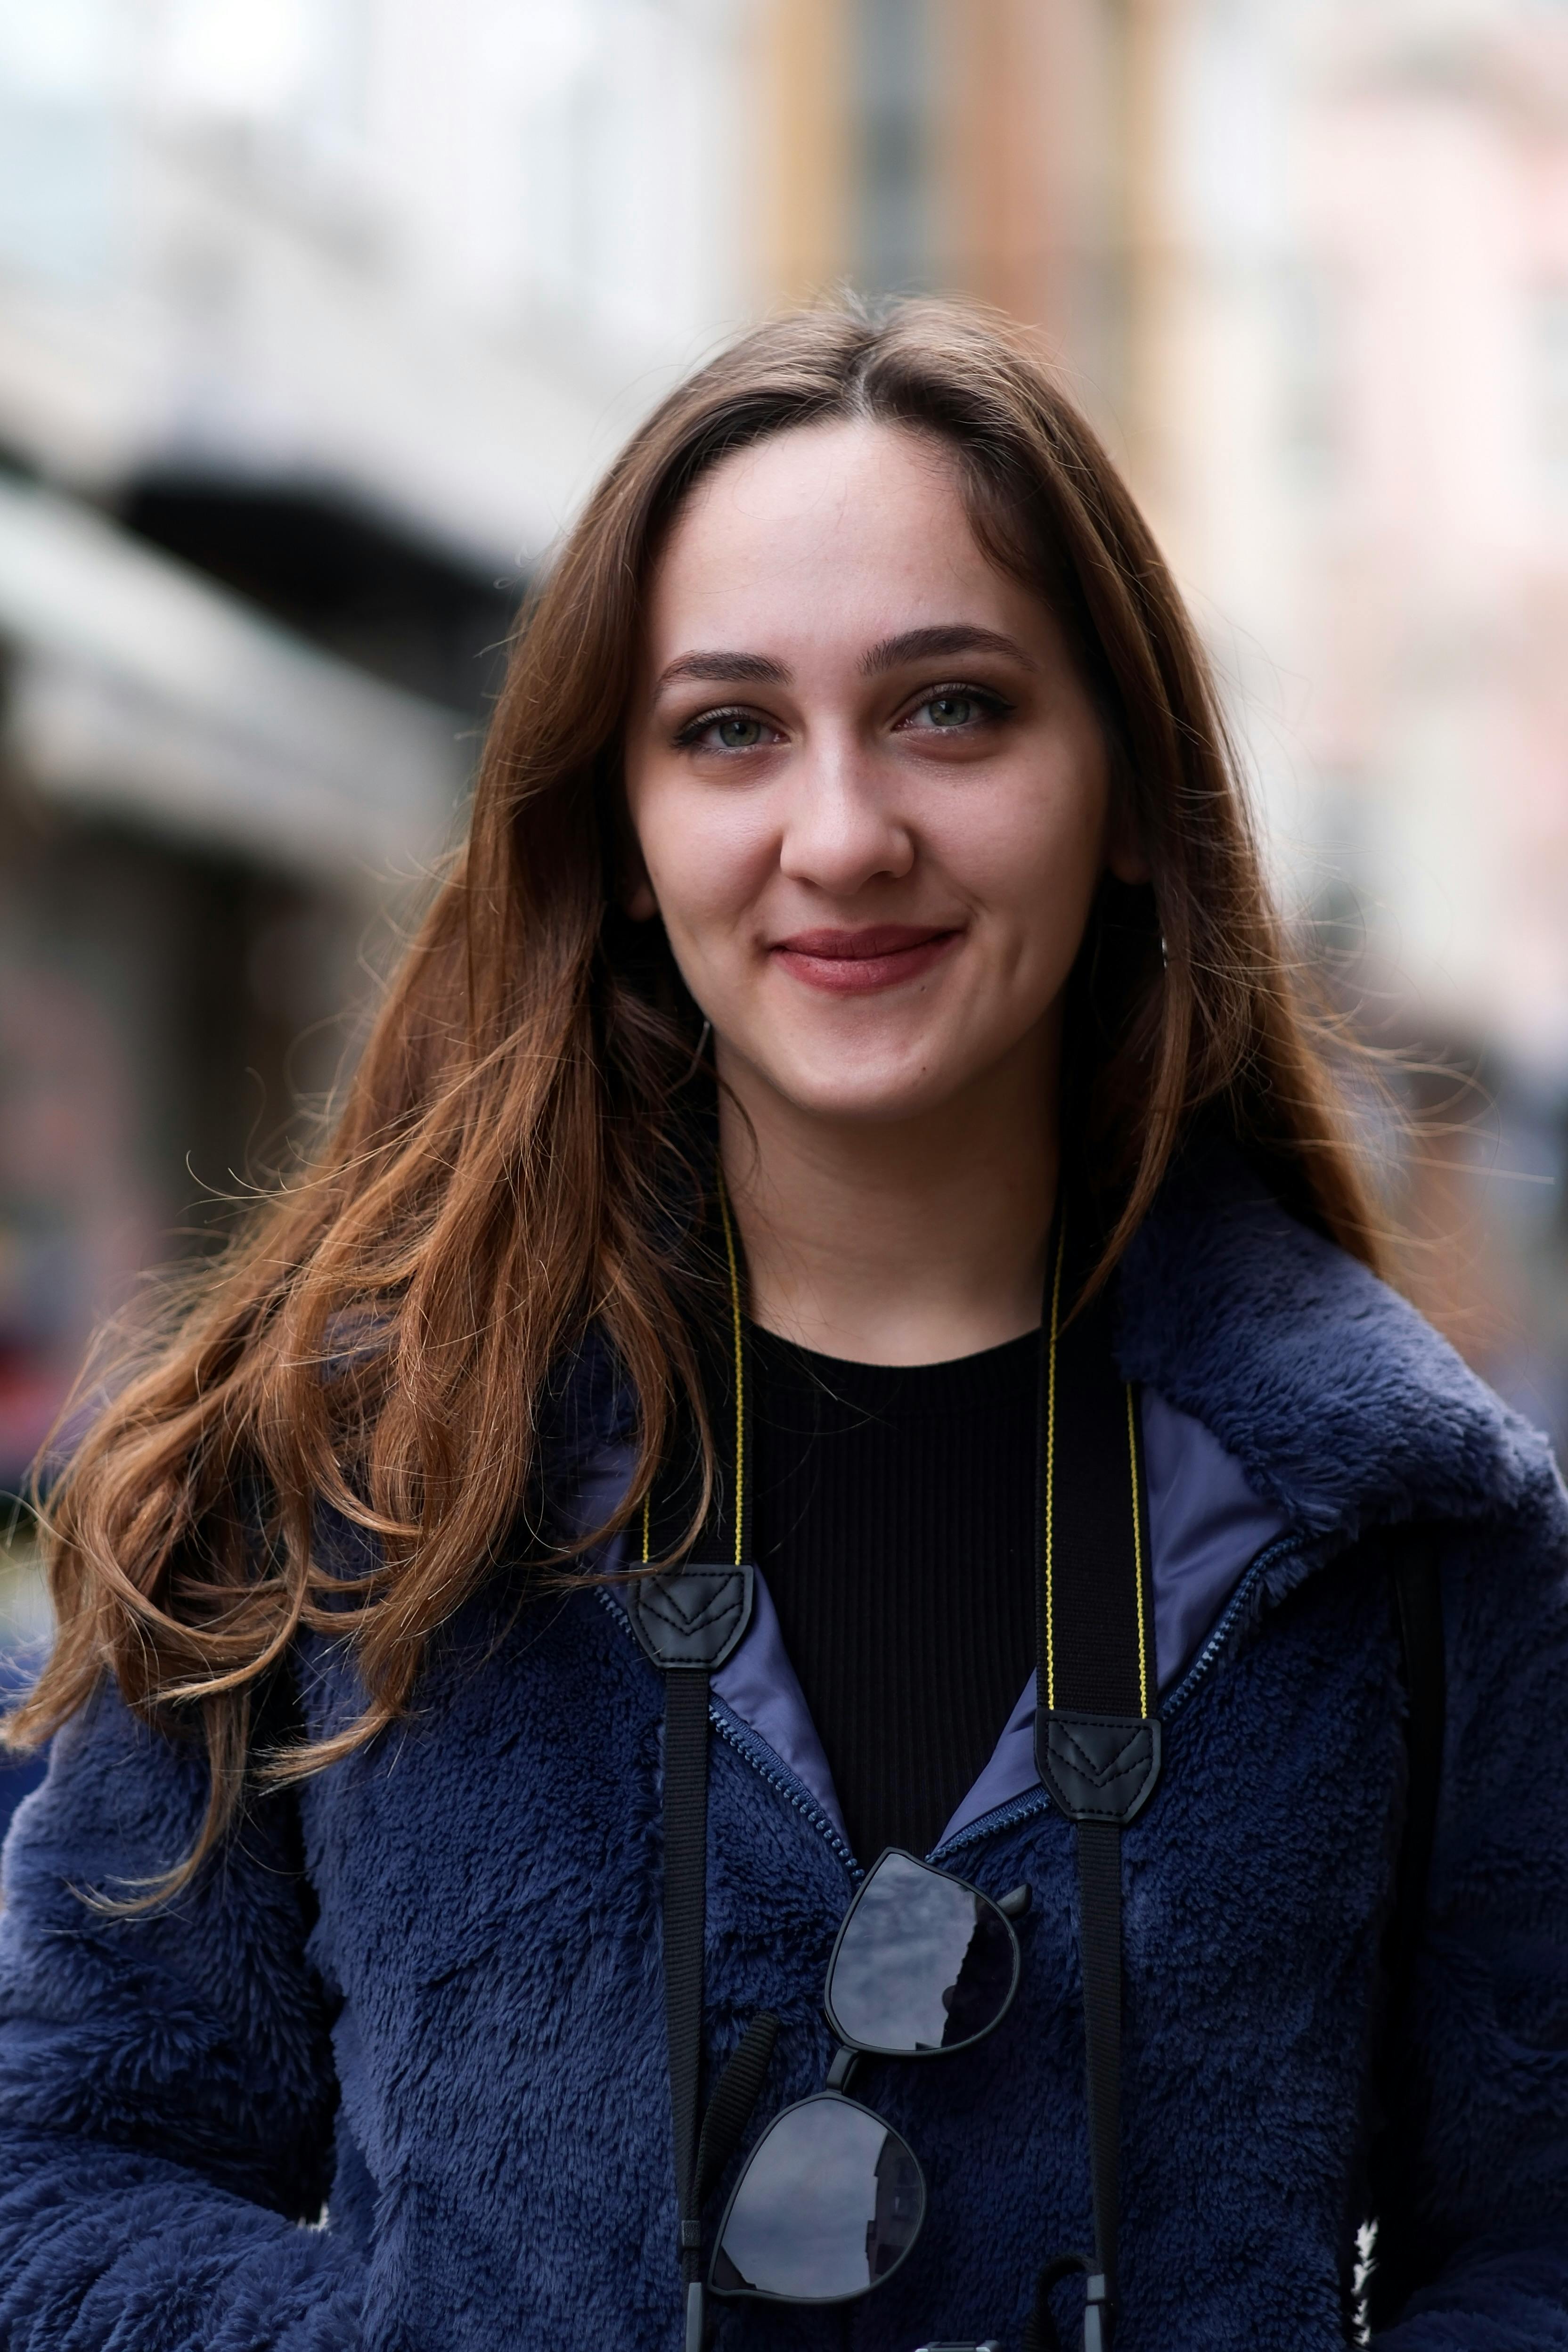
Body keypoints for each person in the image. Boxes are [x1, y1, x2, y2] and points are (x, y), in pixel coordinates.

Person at [1, 301, 1565, 2352]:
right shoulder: (335, 1483)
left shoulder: (1407, 1534)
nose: (841, 835)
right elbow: (58, 2187)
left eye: (951, 710)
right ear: (623, 838)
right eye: (728, 729)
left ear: (1122, 796)